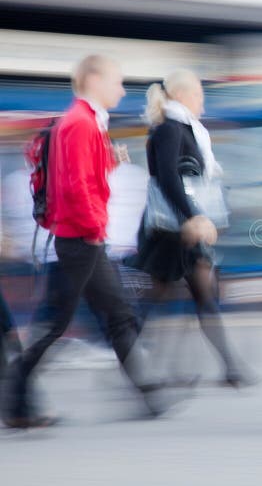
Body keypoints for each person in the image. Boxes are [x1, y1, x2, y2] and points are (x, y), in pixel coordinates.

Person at [2, 55, 179, 428]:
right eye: (117, 81)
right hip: (81, 239)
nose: (121, 90)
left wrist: (109, 163)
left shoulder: (85, 122)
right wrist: (96, 226)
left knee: (111, 315)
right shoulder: (81, 123)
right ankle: (15, 393)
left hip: (81, 238)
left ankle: (150, 395)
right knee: (68, 321)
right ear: (94, 80)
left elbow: (82, 176)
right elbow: (75, 186)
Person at [126, 69, 253, 388]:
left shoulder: (186, 129)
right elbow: (168, 179)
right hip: (171, 230)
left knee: (201, 295)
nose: (202, 103)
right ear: (182, 95)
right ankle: (129, 359)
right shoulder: (169, 129)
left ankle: (231, 368)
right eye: (198, 95)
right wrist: (193, 217)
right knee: (156, 299)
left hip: (182, 229)